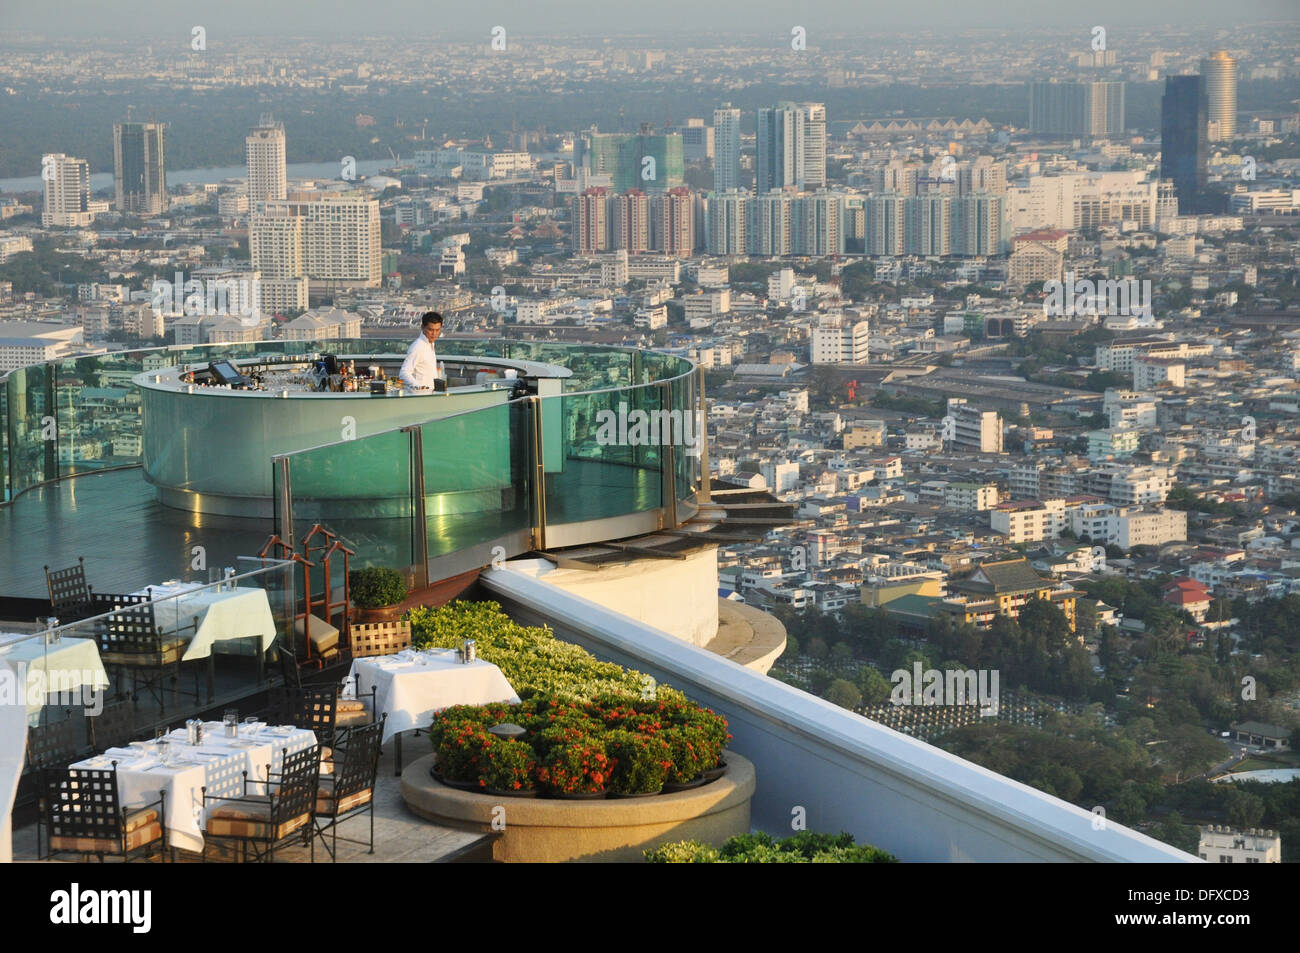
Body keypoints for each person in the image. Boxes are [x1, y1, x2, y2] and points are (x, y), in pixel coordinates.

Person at [399, 311, 443, 390]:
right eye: (431, 330)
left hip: (430, 394)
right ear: (422, 327)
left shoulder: (430, 344)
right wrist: (420, 387)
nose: (434, 334)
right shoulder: (418, 346)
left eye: (437, 330)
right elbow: (404, 373)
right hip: (421, 396)